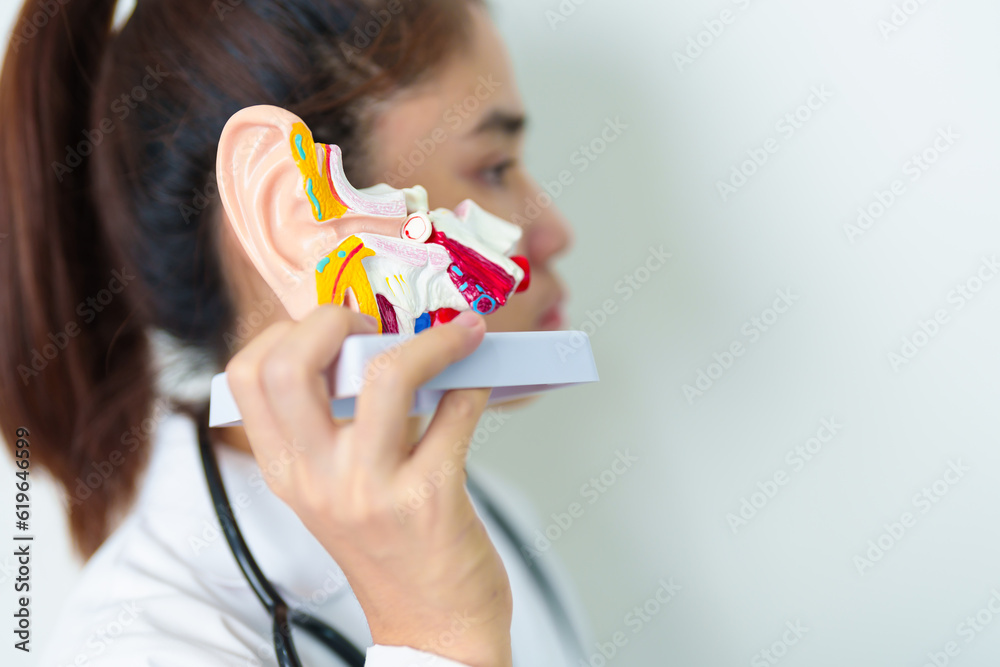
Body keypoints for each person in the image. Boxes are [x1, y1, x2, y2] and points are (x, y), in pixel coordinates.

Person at [0, 0, 587, 665]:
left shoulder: (487, 514)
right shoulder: (138, 646)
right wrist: (440, 636)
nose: (555, 230)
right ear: (297, 217)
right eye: (493, 166)